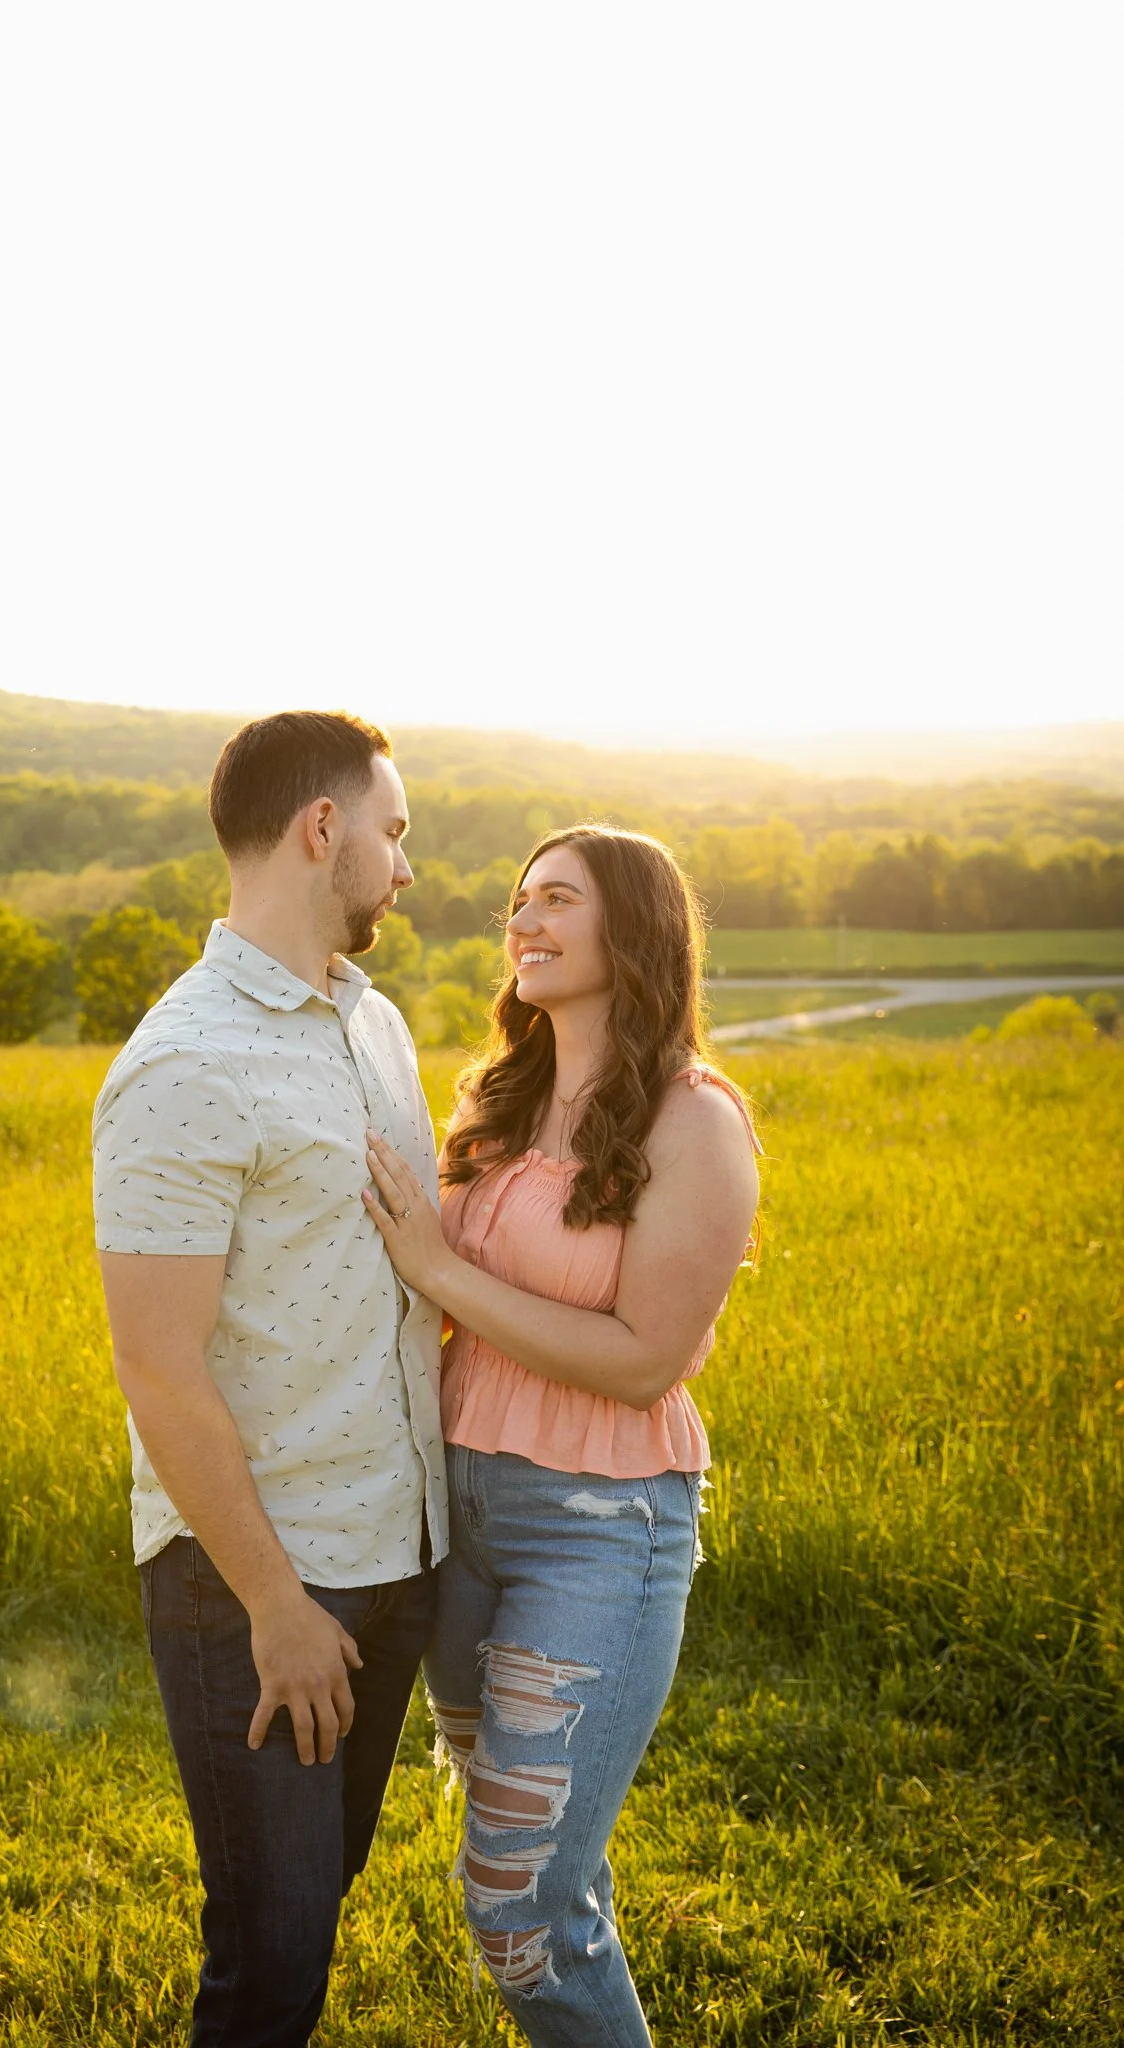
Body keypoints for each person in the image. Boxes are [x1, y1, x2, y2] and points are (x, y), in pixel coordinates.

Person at [361, 824, 761, 2047]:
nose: (523, 921)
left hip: (596, 1527)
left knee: (521, 1899)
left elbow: (645, 1358)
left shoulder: (695, 1120)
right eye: (518, 900)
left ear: (631, 929)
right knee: (519, 1848)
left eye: (558, 901)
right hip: (457, 1518)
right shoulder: (502, 1094)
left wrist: (437, 1262)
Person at [92, 710, 447, 2048]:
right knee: (273, 1960)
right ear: (322, 830)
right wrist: (275, 1605)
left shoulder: (377, 1026)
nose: (404, 866)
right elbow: (158, 1367)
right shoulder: (183, 1066)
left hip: (392, 1551)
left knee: (314, 1906)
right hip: (259, 1580)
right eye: (393, 831)